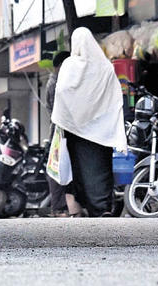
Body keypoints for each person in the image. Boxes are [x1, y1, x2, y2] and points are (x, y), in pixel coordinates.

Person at [51, 27, 128, 217]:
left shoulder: (69, 66)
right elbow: (114, 99)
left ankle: (85, 206)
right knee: (101, 169)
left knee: (80, 170)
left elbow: (62, 93)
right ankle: (103, 207)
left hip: (75, 131)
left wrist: (69, 118)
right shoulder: (105, 67)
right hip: (102, 132)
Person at [45, 51, 81, 217]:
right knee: (58, 170)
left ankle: (66, 206)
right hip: (60, 132)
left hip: (64, 131)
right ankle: (59, 208)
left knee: (63, 170)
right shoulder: (56, 83)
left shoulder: (58, 81)